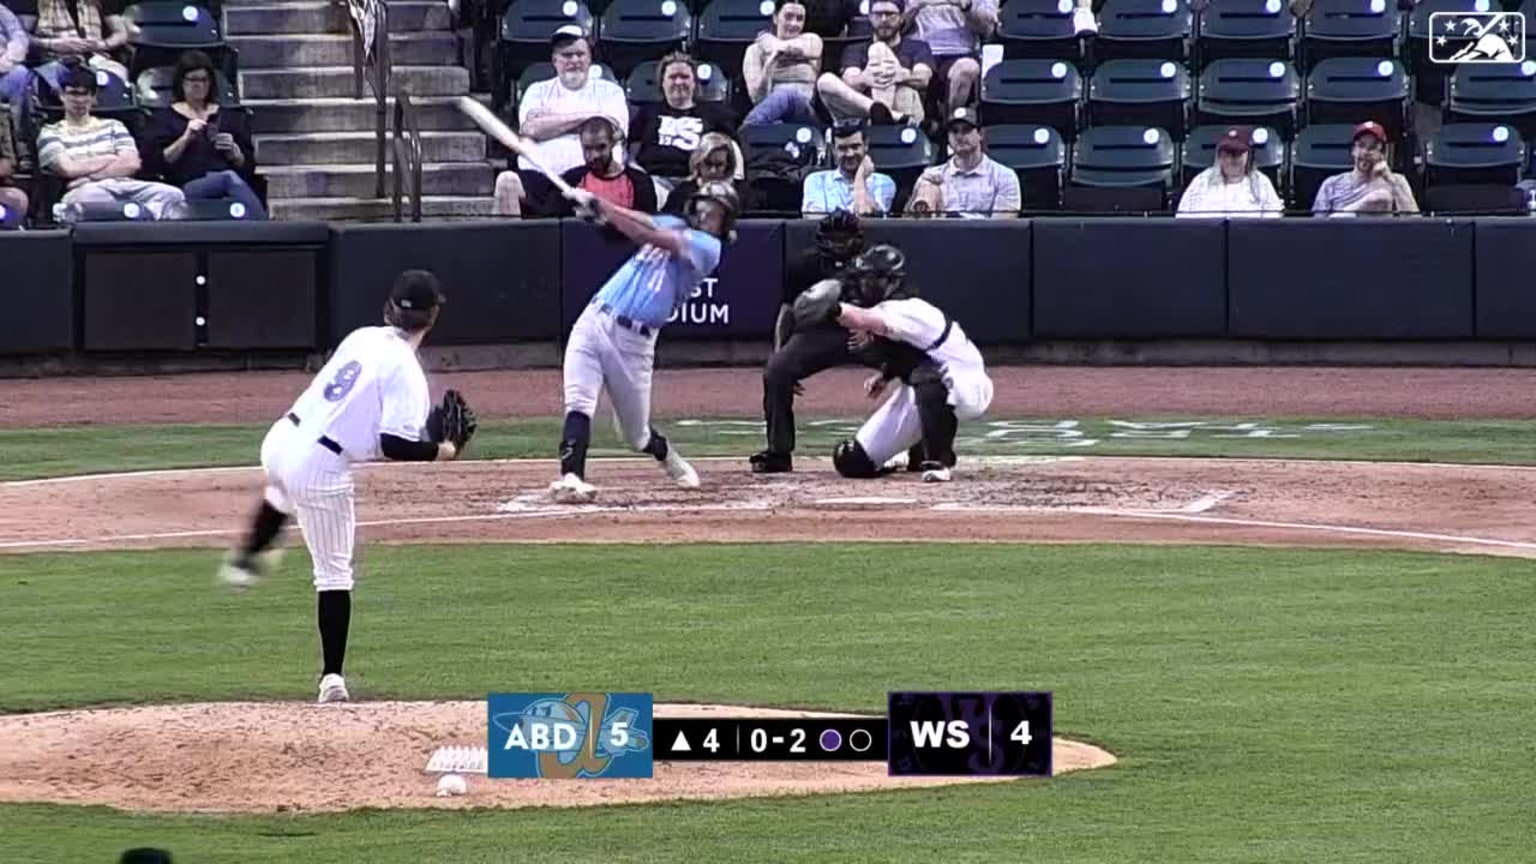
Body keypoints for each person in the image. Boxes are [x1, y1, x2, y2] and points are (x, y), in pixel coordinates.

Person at [218, 270, 478, 704]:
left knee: (282, 492)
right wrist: (443, 451)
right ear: (433, 317)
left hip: (281, 437)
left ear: (389, 308)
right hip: (320, 464)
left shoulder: (363, 338)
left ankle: (245, 563)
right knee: (334, 572)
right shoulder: (407, 372)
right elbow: (393, 444)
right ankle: (332, 679)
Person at [547, 181, 738, 503]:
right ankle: (572, 476)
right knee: (579, 402)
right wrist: (597, 213)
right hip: (594, 319)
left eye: (716, 211)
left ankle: (665, 453)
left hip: (634, 344)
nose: (707, 213)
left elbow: (649, 236)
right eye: (704, 205)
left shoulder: (709, 249)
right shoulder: (674, 221)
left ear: (725, 221)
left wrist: (603, 205)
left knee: (636, 436)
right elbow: (641, 221)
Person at [794, 243, 993, 483]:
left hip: (966, 385)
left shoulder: (911, 308)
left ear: (890, 281)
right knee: (852, 460)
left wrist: (835, 309)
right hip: (925, 386)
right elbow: (910, 353)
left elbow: (866, 320)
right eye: (864, 278)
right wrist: (886, 375)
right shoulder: (887, 308)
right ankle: (897, 455)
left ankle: (939, 461)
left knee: (930, 378)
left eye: (871, 278)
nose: (865, 284)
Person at [753, 209, 891, 473]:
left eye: (844, 238)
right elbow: (787, 312)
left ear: (857, 239)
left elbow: (896, 309)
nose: (839, 244)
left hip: (868, 331)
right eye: (833, 238)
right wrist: (779, 354)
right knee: (775, 371)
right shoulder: (805, 265)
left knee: (920, 368)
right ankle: (779, 452)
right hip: (818, 334)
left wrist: (871, 330)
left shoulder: (877, 264)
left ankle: (925, 451)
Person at [493, 25, 630, 217]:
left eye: (580, 54)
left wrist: (552, 122)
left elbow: (613, 130)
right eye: (567, 55)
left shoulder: (610, 91)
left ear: (589, 58)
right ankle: (507, 248)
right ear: (555, 61)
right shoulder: (537, 91)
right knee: (506, 182)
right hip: (538, 179)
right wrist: (588, 117)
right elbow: (531, 130)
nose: (574, 60)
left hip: (591, 176)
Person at [39, 64, 185, 221]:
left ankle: (140, 217)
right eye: (73, 94)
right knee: (93, 200)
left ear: (93, 97)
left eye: (85, 94)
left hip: (123, 184)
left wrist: (89, 176)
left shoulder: (114, 125)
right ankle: (135, 214)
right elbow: (68, 169)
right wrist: (109, 158)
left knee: (173, 195)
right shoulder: (50, 132)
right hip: (86, 191)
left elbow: (131, 164)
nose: (79, 100)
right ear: (62, 95)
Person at [145, 51, 266, 218]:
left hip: (227, 178)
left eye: (204, 80)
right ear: (182, 82)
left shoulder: (230, 116)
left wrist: (234, 152)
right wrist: (185, 138)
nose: (199, 85)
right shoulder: (164, 118)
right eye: (193, 80)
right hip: (184, 186)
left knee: (232, 178)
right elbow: (156, 162)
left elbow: (247, 165)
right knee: (227, 178)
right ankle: (262, 224)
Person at [815, 0, 934, 126]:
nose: (883, 19)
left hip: (906, 107)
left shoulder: (918, 47)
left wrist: (901, 76)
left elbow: (923, 78)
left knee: (882, 55)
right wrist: (865, 78)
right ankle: (890, 116)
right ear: (870, 17)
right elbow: (850, 81)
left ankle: (884, 121)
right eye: (878, 14)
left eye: (890, 14)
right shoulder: (855, 48)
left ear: (901, 17)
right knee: (825, 80)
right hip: (864, 115)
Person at [629, 52, 736, 192]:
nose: (679, 82)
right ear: (662, 82)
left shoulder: (716, 114)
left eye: (684, 77)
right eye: (672, 77)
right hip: (653, 182)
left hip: (699, 182)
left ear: (694, 82)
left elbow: (732, 150)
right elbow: (630, 152)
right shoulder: (646, 113)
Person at [548, 117, 658, 215]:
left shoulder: (639, 182)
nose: (595, 155)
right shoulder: (571, 180)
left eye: (601, 147)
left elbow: (646, 229)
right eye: (588, 148)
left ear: (612, 143)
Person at [741, 0, 825, 127]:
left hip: (804, 112)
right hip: (771, 113)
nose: (794, 24)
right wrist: (770, 63)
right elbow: (757, 98)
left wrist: (771, 43)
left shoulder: (812, 40)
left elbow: (810, 49)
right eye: (788, 17)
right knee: (781, 97)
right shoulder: (755, 51)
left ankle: (748, 129)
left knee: (787, 94)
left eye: (800, 19)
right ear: (775, 18)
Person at [1312, 121, 1419, 217]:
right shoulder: (1331, 184)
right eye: (1361, 145)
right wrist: (1363, 204)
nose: (1365, 152)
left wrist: (1392, 182)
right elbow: (1317, 230)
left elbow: (1416, 227)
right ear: (1353, 151)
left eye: (1372, 148)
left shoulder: (1397, 181)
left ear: (1382, 154)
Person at [1175, 126, 1282, 219]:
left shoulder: (1261, 183)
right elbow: (1183, 218)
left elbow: (1273, 223)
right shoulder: (1201, 182)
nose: (1232, 159)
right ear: (1219, 155)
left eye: (1238, 154)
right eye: (1227, 153)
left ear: (1248, 155)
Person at [801, 120, 895, 216]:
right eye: (842, 148)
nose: (849, 154)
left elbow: (867, 218)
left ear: (866, 145)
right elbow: (815, 224)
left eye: (855, 147)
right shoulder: (816, 181)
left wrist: (860, 179)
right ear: (833, 150)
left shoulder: (883, 182)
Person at [660, 131, 741, 214]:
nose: (713, 170)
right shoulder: (682, 192)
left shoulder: (740, 192)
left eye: (719, 165)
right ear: (698, 163)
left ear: (728, 165)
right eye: (708, 163)